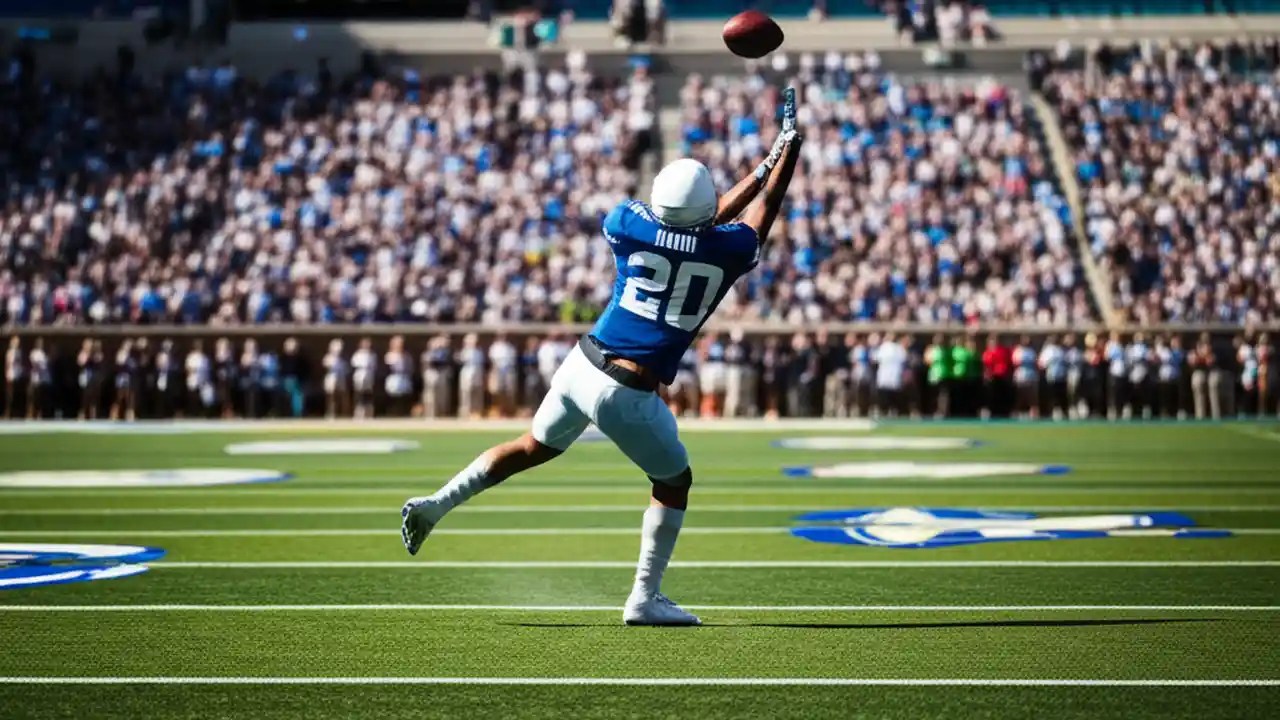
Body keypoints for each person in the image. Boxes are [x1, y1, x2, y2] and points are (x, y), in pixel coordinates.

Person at [401, 118, 804, 626]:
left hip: (581, 365)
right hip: (627, 391)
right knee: (674, 480)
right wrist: (781, 161)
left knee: (531, 446)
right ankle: (644, 596)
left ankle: (435, 504)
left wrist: (765, 164)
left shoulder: (625, 224)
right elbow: (750, 217)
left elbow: (690, 225)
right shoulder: (727, 253)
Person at [874, 332, 907, 418]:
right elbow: (876, 359)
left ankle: (894, 411)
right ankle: (884, 411)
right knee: (884, 395)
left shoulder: (899, 348)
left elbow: (903, 360)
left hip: (895, 376)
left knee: (894, 395)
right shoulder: (883, 347)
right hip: (884, 376)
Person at [384, 335, 414, 417]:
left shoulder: (406, 355)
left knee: (404, 397)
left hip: (404, 377)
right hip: (394, 377)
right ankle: (392, 414)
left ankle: (403, 414)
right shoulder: (390, 355)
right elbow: (387, 368)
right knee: (393, 397)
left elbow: (410, 367)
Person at [1039, 334, 1068, 420]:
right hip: (1052, 376)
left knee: (1062, 395)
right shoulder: (1048, 351)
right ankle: (1052, 412)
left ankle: (1063, 412)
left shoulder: (1061, 350)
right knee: (1052, 395)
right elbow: (1042, 363)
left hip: (1061, 376)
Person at [323, 340, 352, 419]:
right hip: (331, 377)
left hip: (341, 378)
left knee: (343, 396)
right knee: (331, 397)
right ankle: (331, 413)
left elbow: (347, 370)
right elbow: (327, 367)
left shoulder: (343, 360)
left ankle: (344, 414)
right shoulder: (328, 357)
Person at [352, 338, 378, 420]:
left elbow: (374, 366)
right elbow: (354, 364)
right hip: (359, 375)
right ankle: (359, 413)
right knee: (359, 395)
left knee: (368, 395)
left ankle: (369, 413)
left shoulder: (372, 355)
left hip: (369, 375)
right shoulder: (357, 354)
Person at [4, 337, 25, 419]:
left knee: (17, 394)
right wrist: (7, 374)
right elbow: (7, 364)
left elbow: (21, 363)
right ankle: (8, 412)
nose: (17, 344)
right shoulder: (9, 352)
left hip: (18, 374)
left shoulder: (19, 352)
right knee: (10, 395)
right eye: (15, 342)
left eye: (18, 342)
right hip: (11, 374)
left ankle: (17, 412)